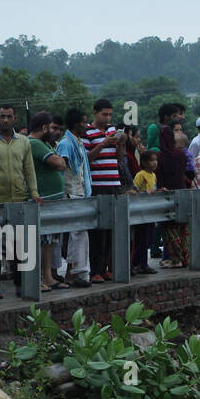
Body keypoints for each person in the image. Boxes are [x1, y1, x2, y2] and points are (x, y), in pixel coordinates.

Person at [0, 104, 41, 298]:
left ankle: (20, 283)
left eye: (9, 116)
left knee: (19, 244)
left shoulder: (23, 141)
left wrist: (34, 193)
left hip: (19, 198)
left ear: (15, 118)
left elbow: (29, 169)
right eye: (2, 116)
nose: (5, 120)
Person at [84, 99, 123, 282]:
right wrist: (103, 144)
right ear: (95, 113)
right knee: (98, 231)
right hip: (98, 185)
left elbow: (120, 158)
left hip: (114, 184)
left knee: (111, 229)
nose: (107, 118)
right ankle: (95, 270)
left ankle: (107, 267)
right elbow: (87, 158)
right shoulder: (87, 133)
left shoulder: (112, 131)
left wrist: (121, 142)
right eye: (104, 114)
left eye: (109, 114)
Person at [28, 111, 67, 290]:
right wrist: (59, 160)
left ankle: (48, 276)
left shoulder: (43, 143)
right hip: (43, 200)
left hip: (52, 202)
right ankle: (42, 278)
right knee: (42, 241)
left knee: (49, 241)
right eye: (50, 127)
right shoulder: (35, 144)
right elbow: (58, 163)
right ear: (44, 128)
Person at [56, 108, 93, 287]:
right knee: (77, 233)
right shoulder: (66, 143)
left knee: (79, 234)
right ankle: (74, 273)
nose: (86, 125)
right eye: (84, 121)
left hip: (79, 192)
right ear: (76, 124)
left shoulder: (78, 143)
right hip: (70, 193)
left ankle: (74, 272)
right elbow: (61, 169)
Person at [158, 120, 191, 268]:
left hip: (167, 195)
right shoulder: (180, 154)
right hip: (182, 192)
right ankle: (185, 257)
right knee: (182, 227)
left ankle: (175, 258)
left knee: (169, 228)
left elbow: (159, 177)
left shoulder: (160, 156)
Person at [132, 150, 159, 275]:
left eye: (155, 160)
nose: (154, 163)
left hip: (150, 211)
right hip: (141, 212)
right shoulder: (141, 175)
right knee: (142, 239)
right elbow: (134, 191)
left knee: (149, 239)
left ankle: (143, 264)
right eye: (151, 160)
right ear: (144, 162)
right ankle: (135, 263)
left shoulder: (153, 175)